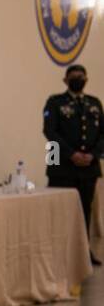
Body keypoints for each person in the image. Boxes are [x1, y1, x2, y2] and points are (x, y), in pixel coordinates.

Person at [43, 64, 104, 230]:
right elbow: (49, 131)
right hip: (62, 168)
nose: (78, 80)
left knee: (85, 211)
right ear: (65, 80)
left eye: (81, 78)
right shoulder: (54, 102)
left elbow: (102, 134)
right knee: (61, 213)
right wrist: (71, 154)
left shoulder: (95, 103)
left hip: (89, 169)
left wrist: (93, 155)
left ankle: (83, 253)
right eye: (74, 78)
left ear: (87, 80)